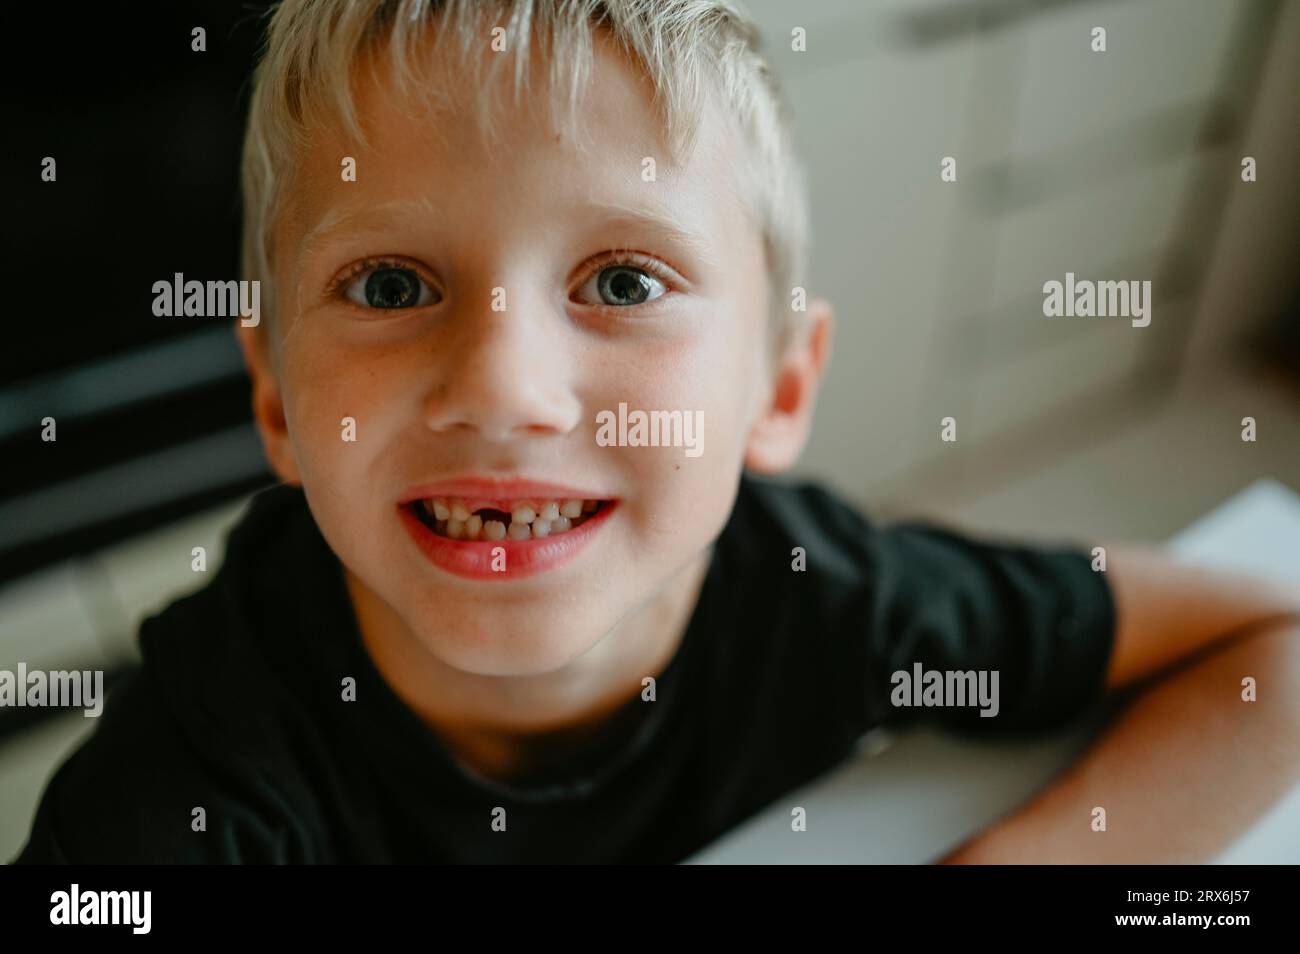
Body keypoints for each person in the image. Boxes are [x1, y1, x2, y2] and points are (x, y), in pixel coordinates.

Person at [16, 0, 1300, 864]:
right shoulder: (183, 784)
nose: (504, 389)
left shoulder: (834, 605)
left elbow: (1270, 652)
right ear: (278, 401)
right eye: (393, 285)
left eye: (623, 282)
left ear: (779, 390)